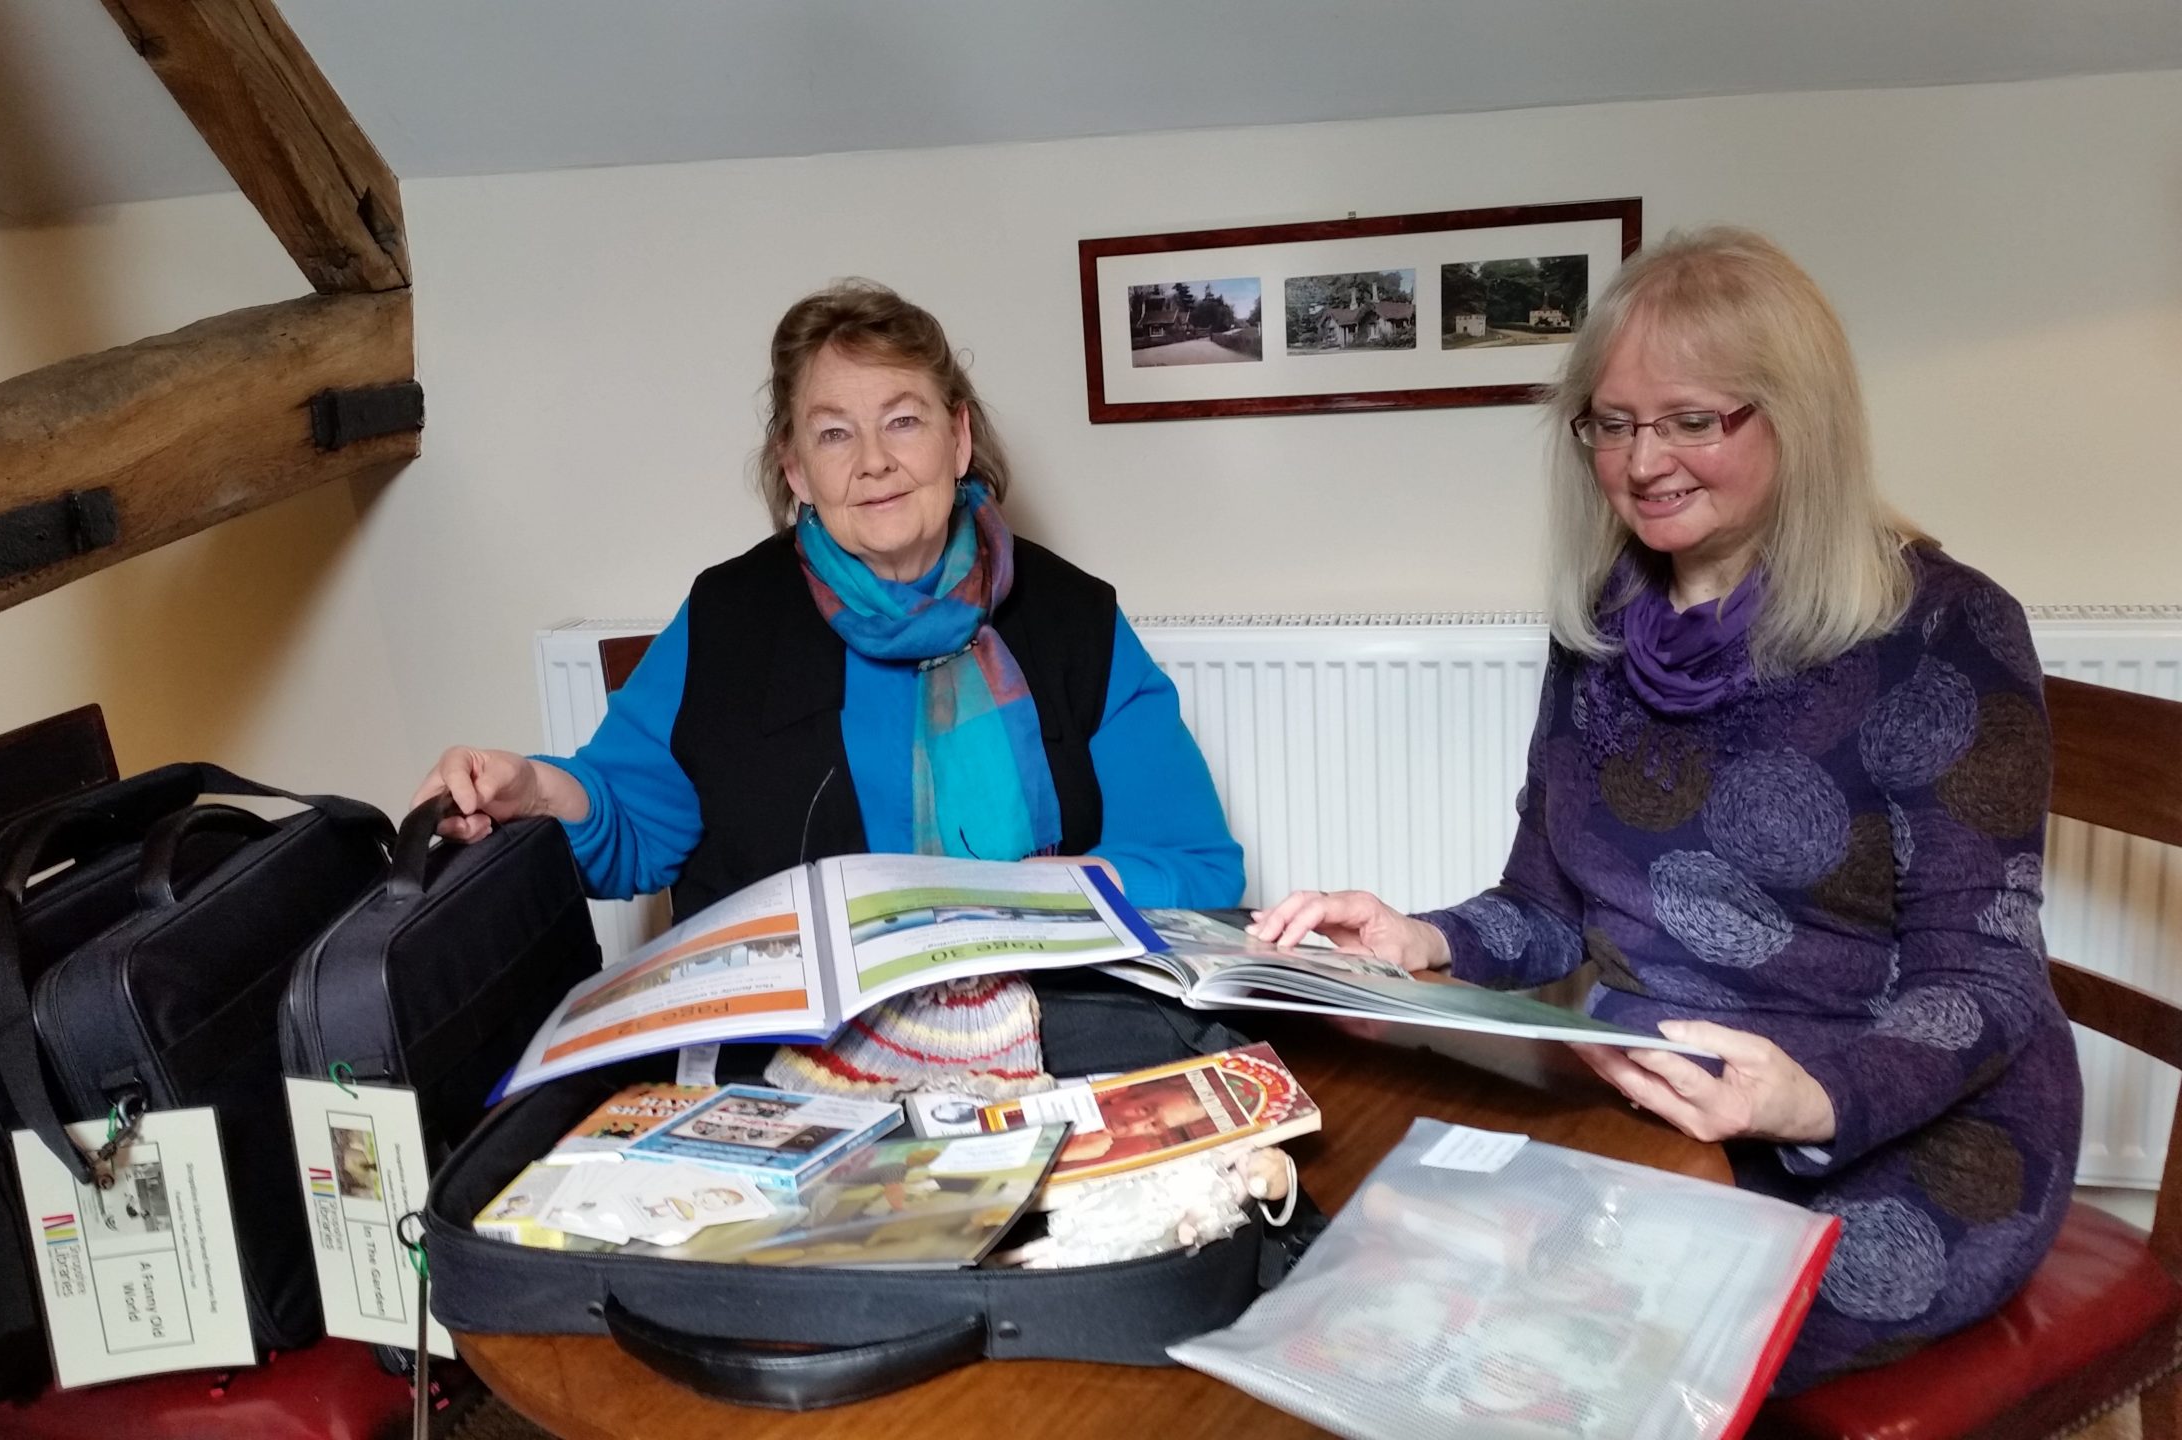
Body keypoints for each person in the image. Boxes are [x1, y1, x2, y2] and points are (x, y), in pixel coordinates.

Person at [1248, 227, 2076, 1392]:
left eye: (1692, 420)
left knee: (1593, 1344)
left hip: (1902, 1129)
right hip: (1652, 1098)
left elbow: (1983, 983)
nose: (1644, 461)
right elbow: (1540, 907)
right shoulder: (1597, 626)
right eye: (1612, 421)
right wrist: (1417, 937)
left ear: (1800, 419)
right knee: (1380, 1264)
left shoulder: (1943, 628)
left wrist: (1811, 1096)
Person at [414, 280, 1243, 1088]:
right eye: (836, 434)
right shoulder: (727, 615)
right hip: (783, 1070)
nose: (875, 462)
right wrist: (534, 787)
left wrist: (1001, 906)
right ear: (798, 470)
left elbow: (1195, 866)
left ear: (957, 440)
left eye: (903, 421)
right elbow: (627, 822)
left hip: (1038, 1043)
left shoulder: (1076, 617)